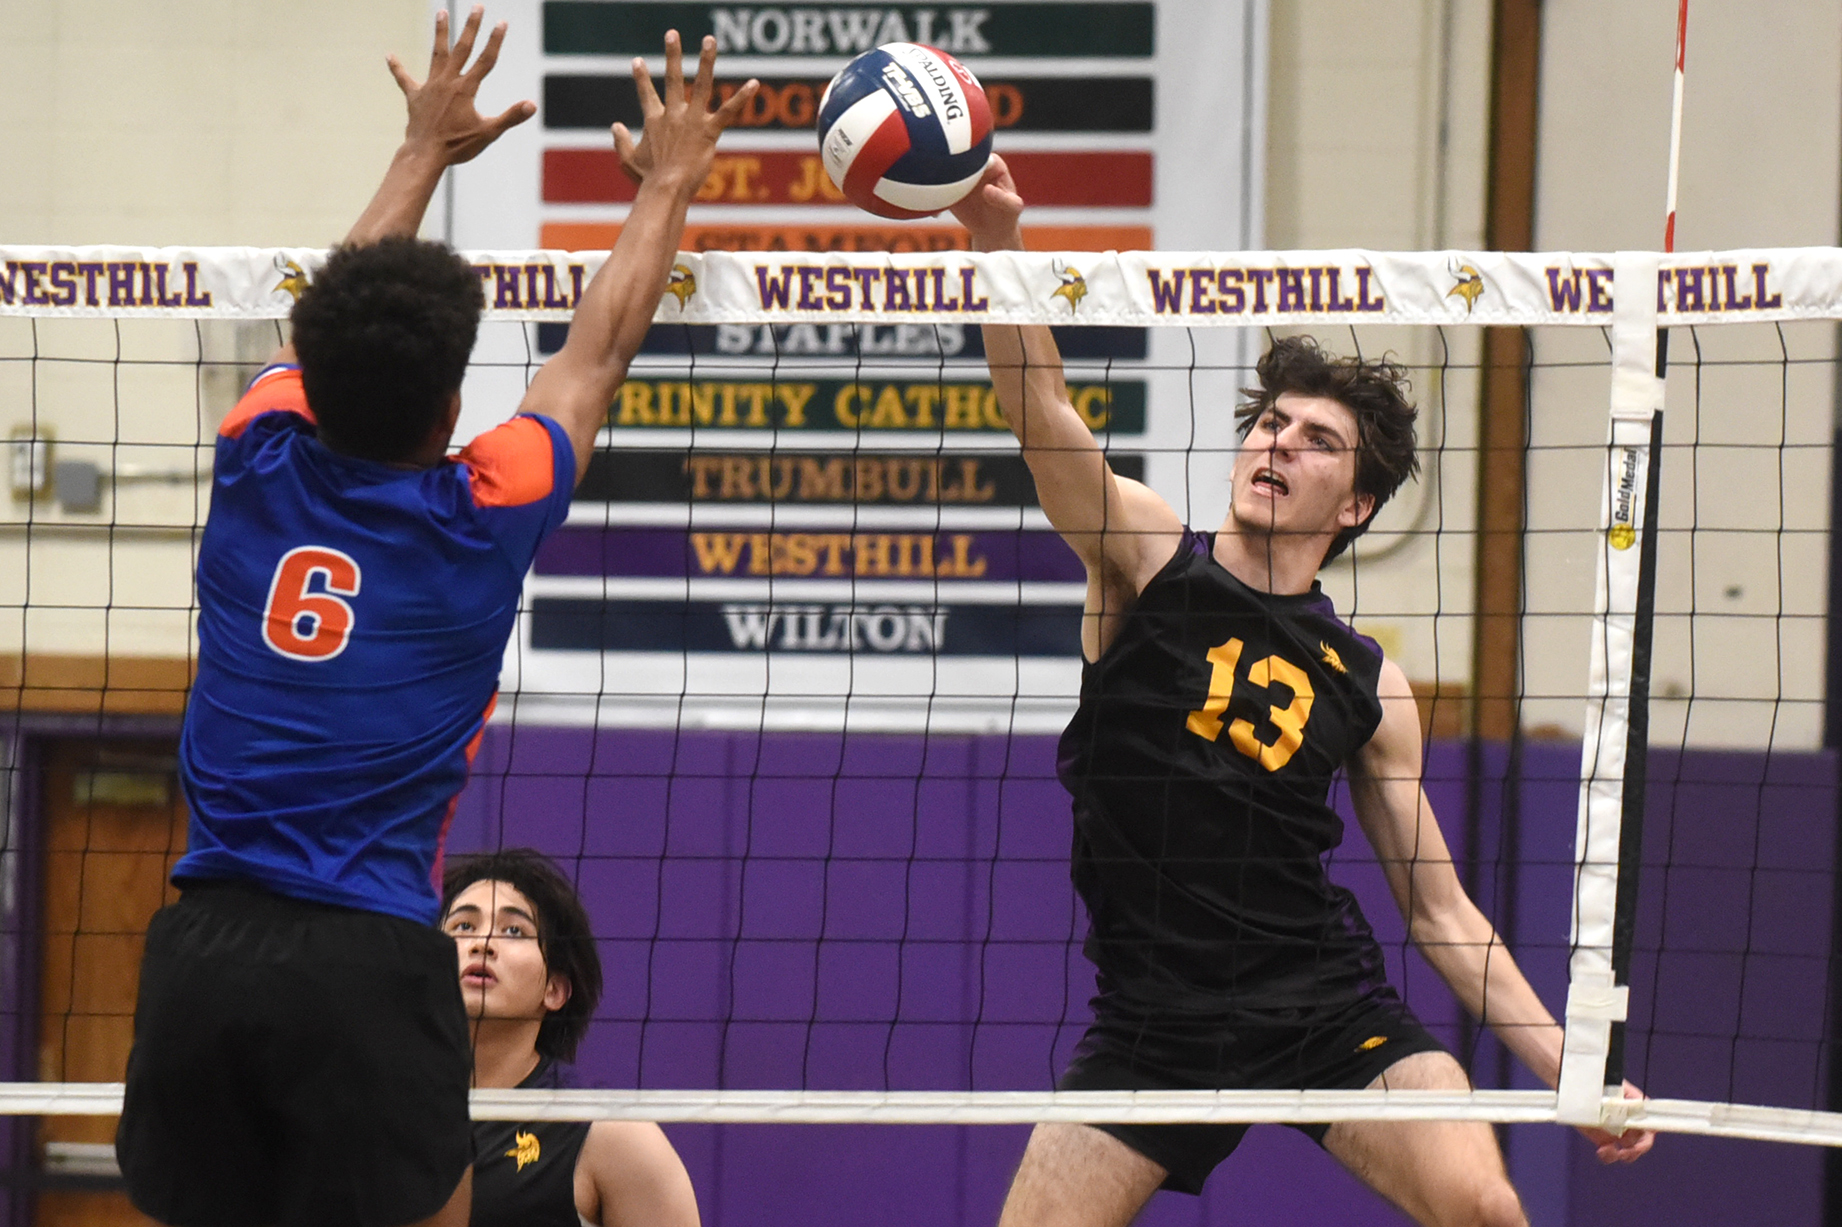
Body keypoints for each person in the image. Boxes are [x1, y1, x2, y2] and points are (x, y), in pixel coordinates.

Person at [115, 11, 757, 1226]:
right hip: (366, 959)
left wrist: (419, 151)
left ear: (309, 369)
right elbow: (597, 347)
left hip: (205, 948)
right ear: (455, 401)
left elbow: (327, 310)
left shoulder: (257, 457)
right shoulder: (481, 510)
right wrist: (668, 181)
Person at [948, 158, 1654, 1227]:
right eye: (1271, 422)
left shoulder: (1370, 681)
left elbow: (1440, 911)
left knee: (1487, 1210)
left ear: (1358, 503)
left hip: (1322, 1006)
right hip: (1152, 1023)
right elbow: (1037, 409)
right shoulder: (1145, 560)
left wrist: (1575, 1065)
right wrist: (996, 244)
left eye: (1317, 440)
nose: (1278, 441)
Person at [441, 849, 700, 1227]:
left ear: (555, 990)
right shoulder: (377, 1115)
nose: (482, 943)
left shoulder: (613, 1135)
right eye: (463, 927)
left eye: (515, 930)